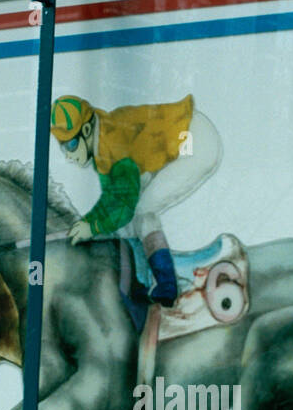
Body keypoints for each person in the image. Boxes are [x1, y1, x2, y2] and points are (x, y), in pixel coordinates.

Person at [49, 93, 222, 305]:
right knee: (141, 215)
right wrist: (88, 222)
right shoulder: (102, 140)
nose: (68, 155)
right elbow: (111, 199)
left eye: (71, 144)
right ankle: (162, 283)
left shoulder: (113, 143)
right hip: (188, 140)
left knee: (139, 212)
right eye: (62, 146)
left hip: (197, 143)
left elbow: (123, 208)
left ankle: (160, 283)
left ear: (86, 130)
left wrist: (92, 227)